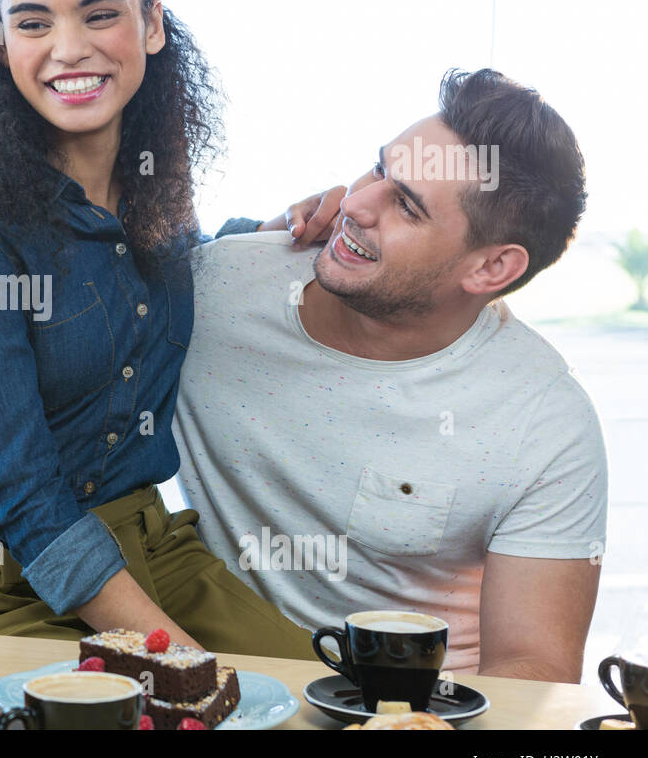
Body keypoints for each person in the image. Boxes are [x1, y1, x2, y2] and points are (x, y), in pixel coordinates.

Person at [0, 0, 330, 657]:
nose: (68, 48)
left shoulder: (152, 188)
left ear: (152, 25)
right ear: (0, 42)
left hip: (153, 546)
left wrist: (268, 236)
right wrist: (183, 661)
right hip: (9, 573)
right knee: (212, 711)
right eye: (34, 23)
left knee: (322, 698)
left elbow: (172, 269)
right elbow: (23, 496)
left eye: (100, 14)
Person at [174, 69, 605, 680]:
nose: (354, 203)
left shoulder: (545, 420)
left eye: (405, 205)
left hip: (418, 710)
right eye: (379, 169)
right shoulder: (213, 292)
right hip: (234, 694)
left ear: (492, 268)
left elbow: (530, 671)